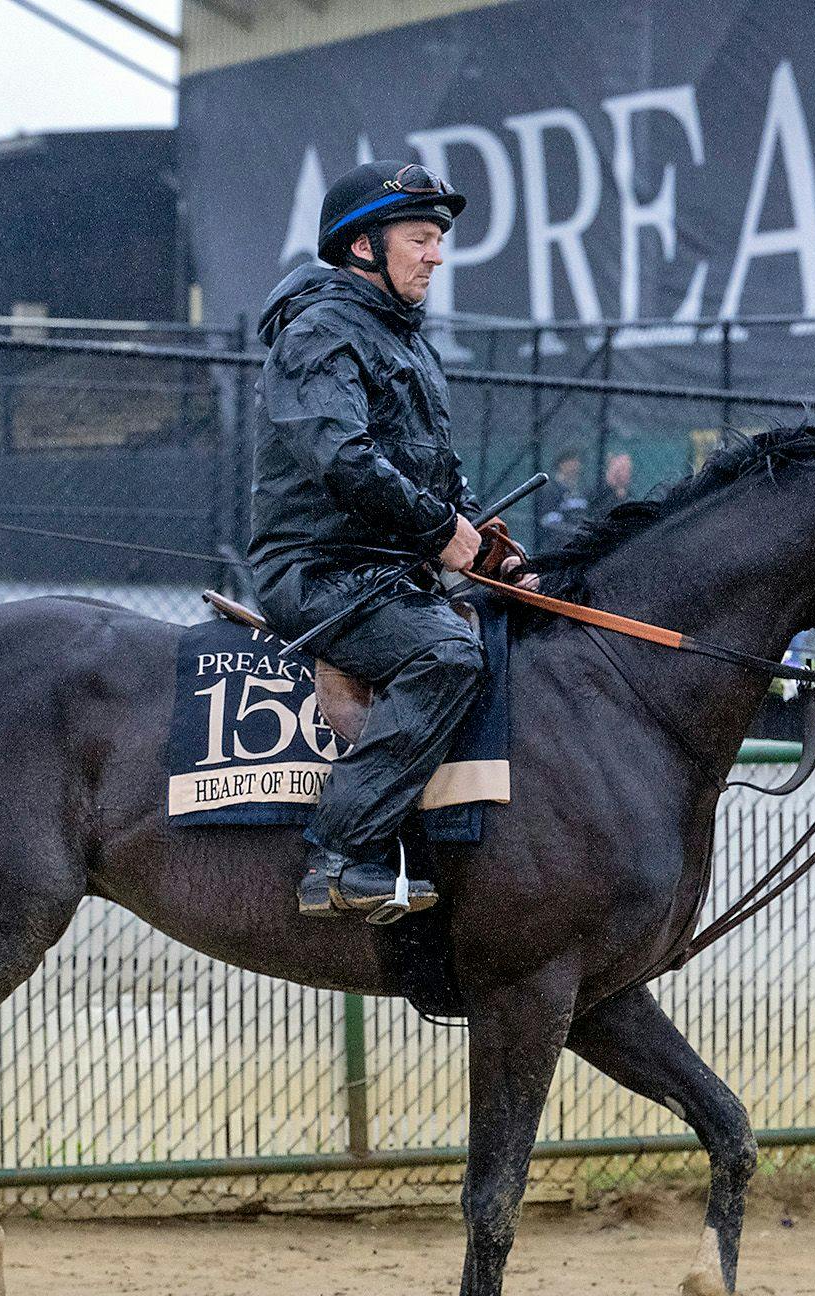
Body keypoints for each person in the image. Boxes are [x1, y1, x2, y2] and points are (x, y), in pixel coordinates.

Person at [248, 160, 486, 922]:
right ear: (363, 248)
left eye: (438, 239)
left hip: (389, 571)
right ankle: (341, 855)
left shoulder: (409, 343)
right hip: (318, 573)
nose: (436, 255)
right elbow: (345, 458)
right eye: (421, 237)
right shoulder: (318, 333)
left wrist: (483, 541)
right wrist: (437, 528)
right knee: (447, 655)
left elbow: (438, 477)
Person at [537, 450, 590, 545]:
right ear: (562, 464)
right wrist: (570, 530)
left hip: (579, 544)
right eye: (572, 462)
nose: (576, 466)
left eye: (577, 462)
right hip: (556, 544)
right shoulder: (551, 490)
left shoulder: (583, 490)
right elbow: (547, 521)